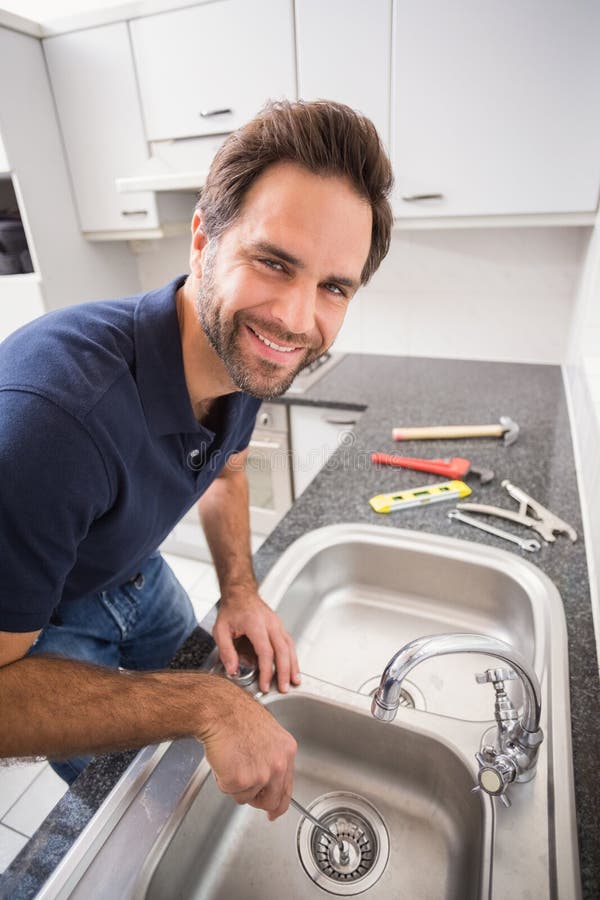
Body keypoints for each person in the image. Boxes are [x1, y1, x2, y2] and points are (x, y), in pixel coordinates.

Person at [0, 100, 393, 821]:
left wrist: (239, 592)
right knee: (142, 807)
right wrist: (204, 704)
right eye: (274, 262)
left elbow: (231, 469)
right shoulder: (49, 425)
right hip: (36, 633)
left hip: (135, 571)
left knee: (199, 749)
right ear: (202, 242)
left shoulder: (238, 360)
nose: (298, 319)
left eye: (333, 287)